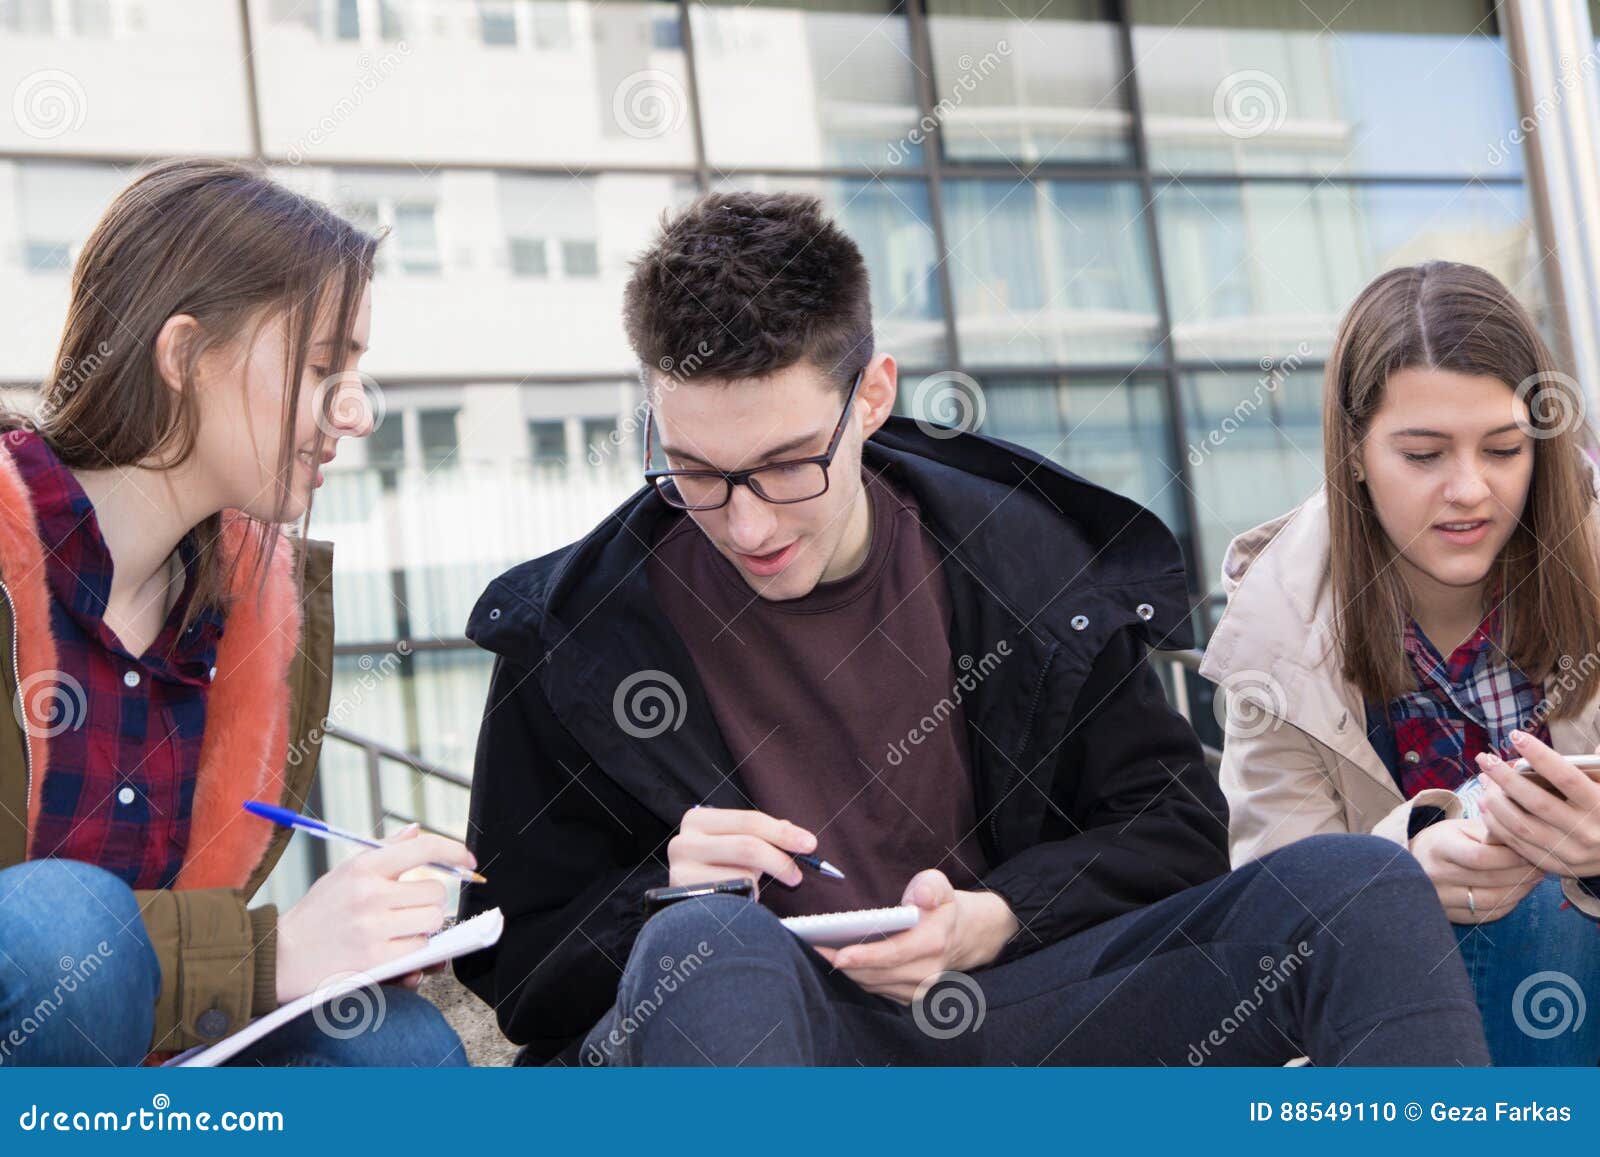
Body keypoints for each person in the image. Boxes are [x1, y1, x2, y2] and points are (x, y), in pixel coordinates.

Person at [456, 192, 1489, 1067]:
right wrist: (660, 897)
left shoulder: (1025, 560)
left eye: (783, 464)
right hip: (757, 1033)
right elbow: (520, 972)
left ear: (871, 396)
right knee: (715, 943)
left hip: (1013, 1014)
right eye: (693, 471)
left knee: (1360, 885)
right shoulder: (571, 631)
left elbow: (1172, 830)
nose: (747, 521)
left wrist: (995, 918)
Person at [0, 159, 471, 1067]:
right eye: (323, 366)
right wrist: (270, 951)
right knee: (60, 928)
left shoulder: (258, 623)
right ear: (182, 355)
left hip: (155, 1078)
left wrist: (343, 945)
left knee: (391, 1051)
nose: (357, 412)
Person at [1201, 261, 1600, 1065]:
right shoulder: (1275, 638)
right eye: (1423, 454)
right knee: (1500, 834)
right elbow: (1278, 935)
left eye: (1503, 448)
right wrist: (1405, 864)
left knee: (1551, 890)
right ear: (1353, 452)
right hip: (1403, 1041)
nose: (1469, 490)